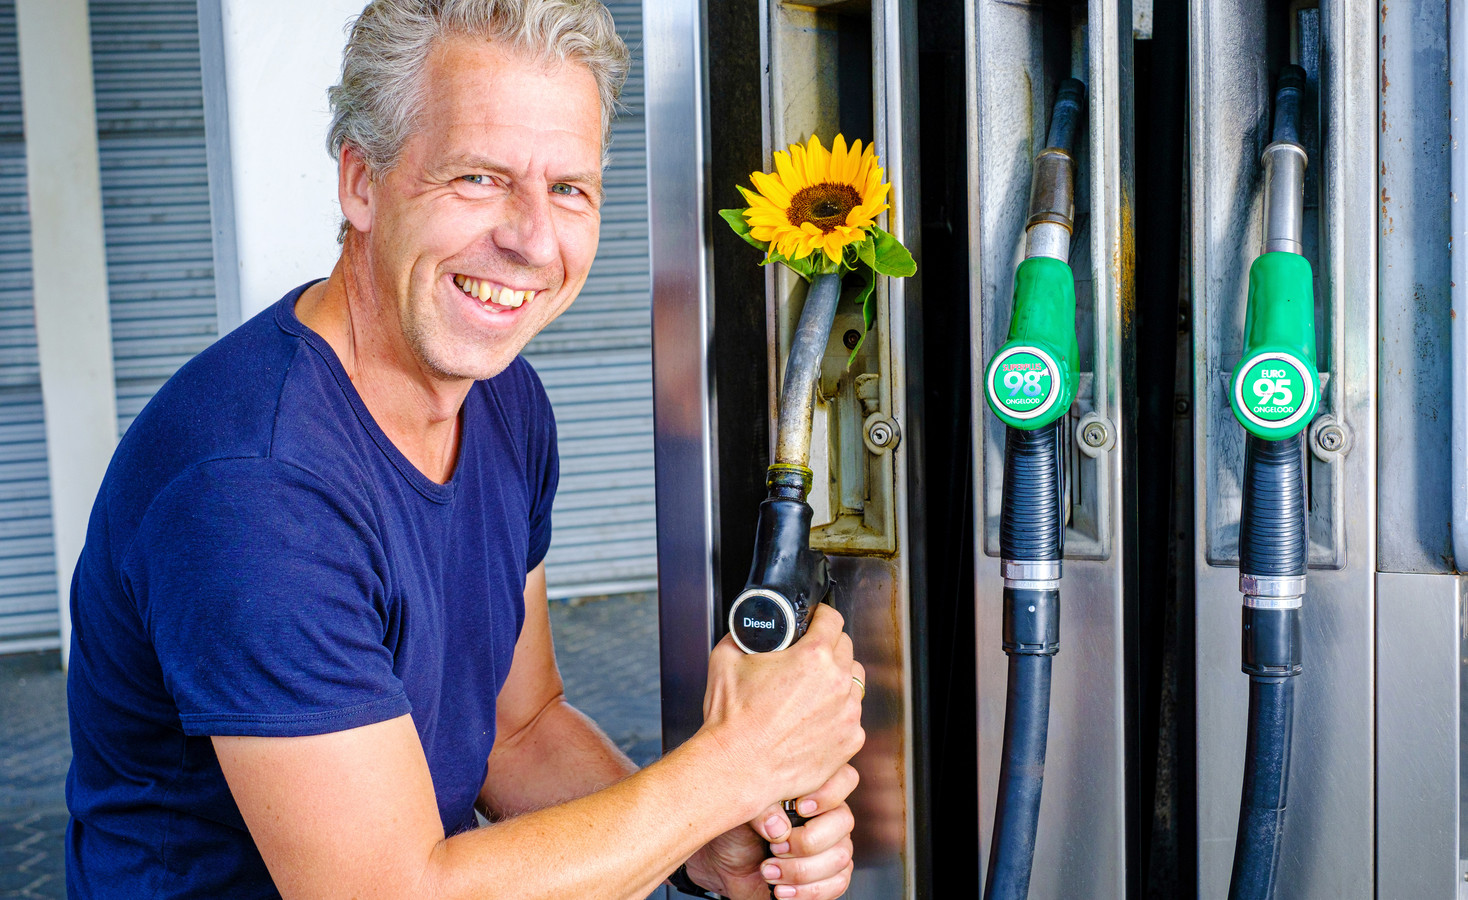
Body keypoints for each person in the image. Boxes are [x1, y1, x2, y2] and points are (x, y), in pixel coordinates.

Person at [63, 1, 866, 898]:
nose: (530, 240)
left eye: (569, 188)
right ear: (361, 184)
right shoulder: (254, 489)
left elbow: (516, 730)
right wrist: (733, 766)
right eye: (478, 178)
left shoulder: (503, 401)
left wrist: (699, 849)